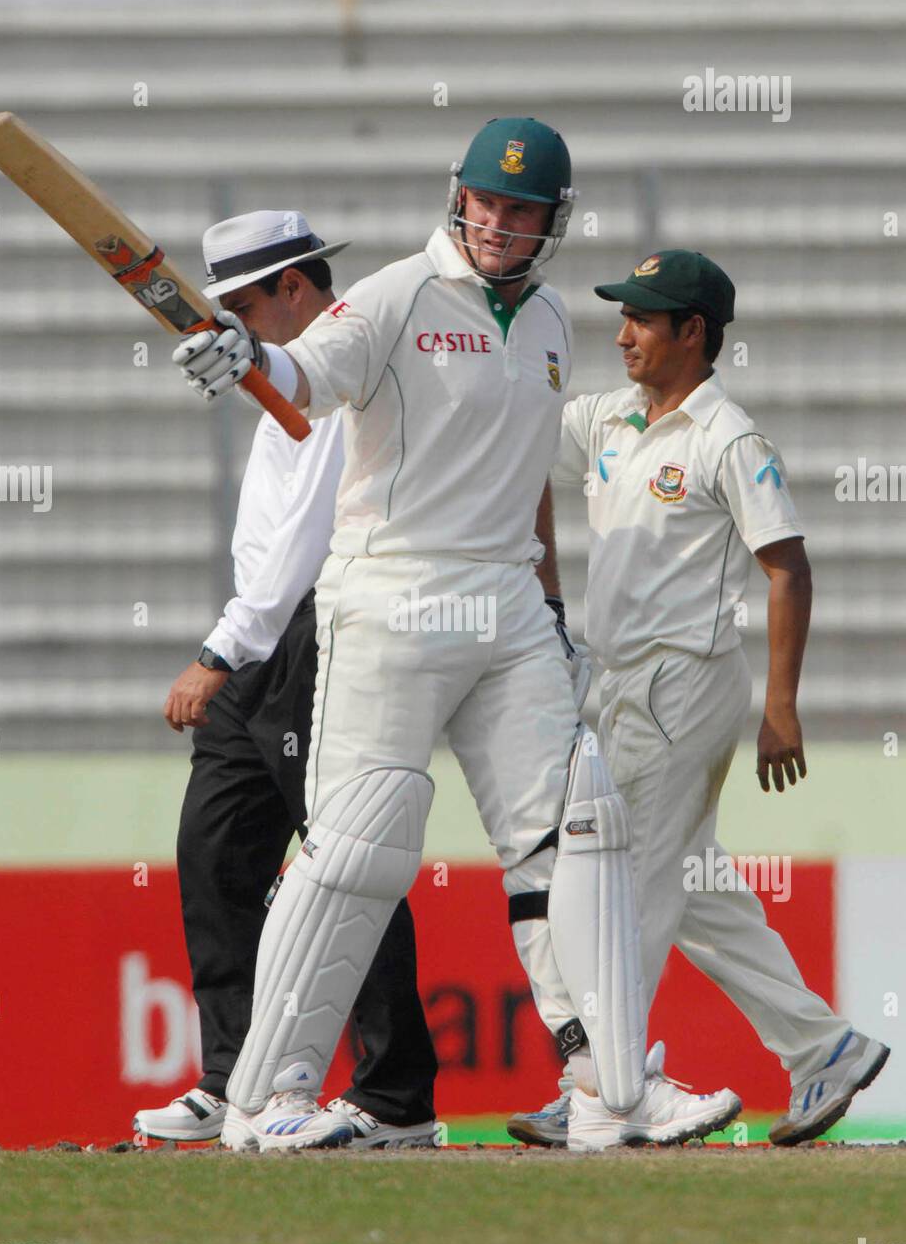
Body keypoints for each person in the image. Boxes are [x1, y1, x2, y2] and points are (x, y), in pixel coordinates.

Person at [173, 121, 740, 1153]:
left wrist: (554, 613)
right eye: (486, 202)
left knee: (577, 832)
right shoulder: (394, 294)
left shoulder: (559, 323)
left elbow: (527, 484)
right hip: (391, 592)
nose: (498, 223)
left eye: (522, 211)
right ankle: (271, 1093)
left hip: (510, 607)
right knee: (357, 844)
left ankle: (606, 1084)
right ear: (458, 199)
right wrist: (249, 355)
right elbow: (306, 377)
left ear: (549, 225)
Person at [507, 250, 889, 1148]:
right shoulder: (608, 416)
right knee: (697, 890)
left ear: (694, 333)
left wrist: (781, 708)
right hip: (616, 683)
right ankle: (823, 1047)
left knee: (618, 891)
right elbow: (514, 443)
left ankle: (607, 1084)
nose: (624, 333)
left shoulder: (729, 437)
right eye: (623, 315)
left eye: (643, 318)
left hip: (684, 683)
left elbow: (786, 567)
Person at [134, 211, 438, 1150]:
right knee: (216, 855)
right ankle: (230, 1080)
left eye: (241, 305)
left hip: (307, 636)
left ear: (294, 290)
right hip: (259, 637)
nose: (230, 325)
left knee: (344, 865)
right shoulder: (273, 372)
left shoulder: (335, 374)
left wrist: (220, 653)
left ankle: (395, 1095)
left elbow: (304, 544)